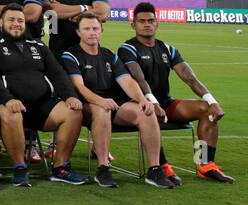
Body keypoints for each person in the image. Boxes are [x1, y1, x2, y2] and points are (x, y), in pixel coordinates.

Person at [0, 4, 88, 187]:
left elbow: (57, 73)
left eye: (20, 20)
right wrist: (7, 99)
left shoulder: (38, 45)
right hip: (8, 106)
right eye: (11, 20)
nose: (16, 24)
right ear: (1, 22)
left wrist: (70, 95)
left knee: (73, 112)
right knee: (11, 112)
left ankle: (61, 168)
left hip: (42, 105)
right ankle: (20, 168)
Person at [118, 2, 233, 184]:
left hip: (165, 103)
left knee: (206, 110)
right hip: (140, 104)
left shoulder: (168, 49)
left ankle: (204, 164)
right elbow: (139, 80)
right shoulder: (127, 49)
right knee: (149, 114)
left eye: (151, 20)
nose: (147, 24)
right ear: (133, 25)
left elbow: (190, 79)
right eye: (142, 21)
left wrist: (212, 101)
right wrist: (153, 103)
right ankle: (162, 166)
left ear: (157, 23)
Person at [60, 13, 172, 188]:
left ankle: (155, 169)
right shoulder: (70, 55)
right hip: (86, 106)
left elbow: (127, 81)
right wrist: (101, 101)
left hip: (114, 104)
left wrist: (142, 99)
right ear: (78, 32)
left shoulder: (109, 55)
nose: (92, 32)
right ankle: (103, 167)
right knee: (102, 111)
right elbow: (79, 87)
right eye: (87, 29)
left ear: (102, 31)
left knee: (146, 112)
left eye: (95, 28)